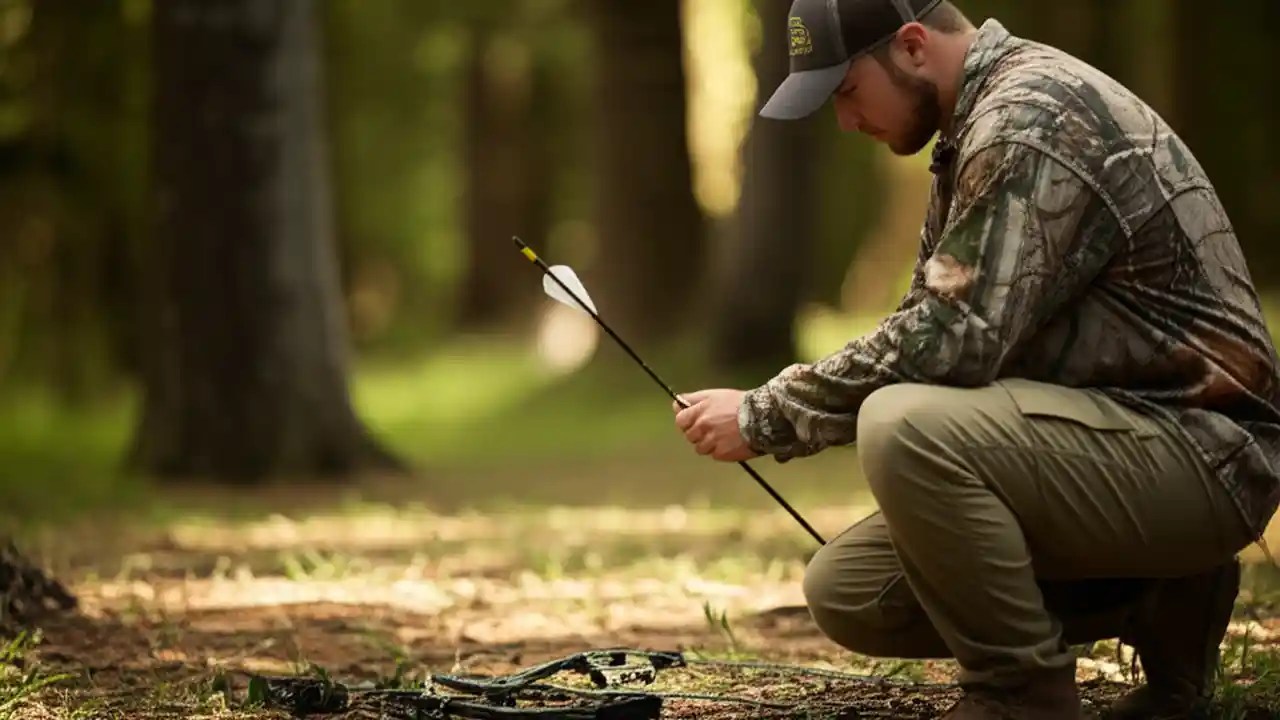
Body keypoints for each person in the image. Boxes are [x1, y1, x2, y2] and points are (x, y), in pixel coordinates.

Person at [671, 0, 1280, 717]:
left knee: (904, 426)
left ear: (913, 46)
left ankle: (1021, 695)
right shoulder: (976, 125)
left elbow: (951, 341)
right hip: (1129, 441)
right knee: (848, 590)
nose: (846, 121)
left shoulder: (1030, 117)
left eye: (846, 92)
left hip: (1205, 457)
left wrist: (764, 412)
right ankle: (1159, 601)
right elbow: (923, 321)